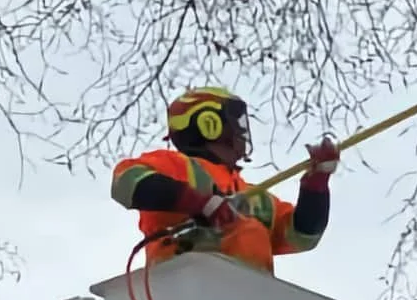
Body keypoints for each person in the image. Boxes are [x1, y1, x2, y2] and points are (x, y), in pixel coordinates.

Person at [110, 86, 339, 274]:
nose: (242, 132)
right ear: (210, 124)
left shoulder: (253, 196)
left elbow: (303, 235)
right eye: (236, 122)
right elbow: (126, 182)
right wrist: (199, 203)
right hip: (181, 294)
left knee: (251, 231)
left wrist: (316, 184)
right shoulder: (177, 166)